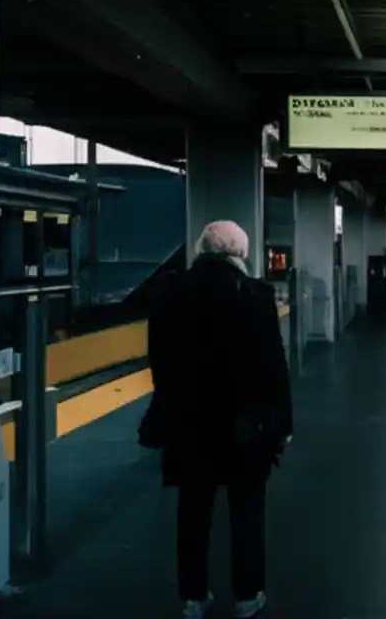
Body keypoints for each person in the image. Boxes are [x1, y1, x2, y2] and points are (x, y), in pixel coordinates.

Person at [139, 220, 293, 618]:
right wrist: (283, 423)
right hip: (244, 424)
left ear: (202, 251)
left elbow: (160, 362)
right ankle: (247, 596)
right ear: (241, 253)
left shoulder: (171, 293)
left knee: (193, 509)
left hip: (189, 423)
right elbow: (274, 366)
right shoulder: (254, 294)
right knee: (246, 508)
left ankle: (193, 596)